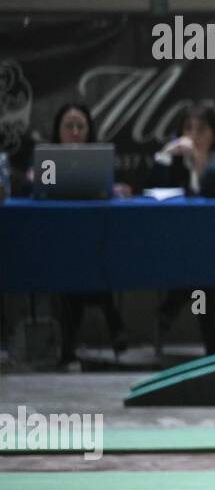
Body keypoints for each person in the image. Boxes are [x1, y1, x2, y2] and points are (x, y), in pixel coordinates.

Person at [49, 103, 127, 367]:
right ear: (58, 131)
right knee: (81, 269)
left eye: (80, 126)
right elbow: (35, 192)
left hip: (92, 243)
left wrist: (116, 190)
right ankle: (113, 321)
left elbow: (105, 193)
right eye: (68, 126)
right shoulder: (46, 161)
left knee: (87, 266)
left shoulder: (98, 161)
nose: (74, 132)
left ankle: (69, 346)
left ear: (89, 130)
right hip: (56, 243)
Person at [147, 103, 215, 357]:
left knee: (200, 270)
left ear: (214, 133)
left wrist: (201, 160)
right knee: (201, 273)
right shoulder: (174, 161)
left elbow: (212, 193)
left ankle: (169, 308)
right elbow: (149, 189)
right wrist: (166, 154)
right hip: (175, 243)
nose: (193, 135)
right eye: (188, 128)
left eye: (201, 129)